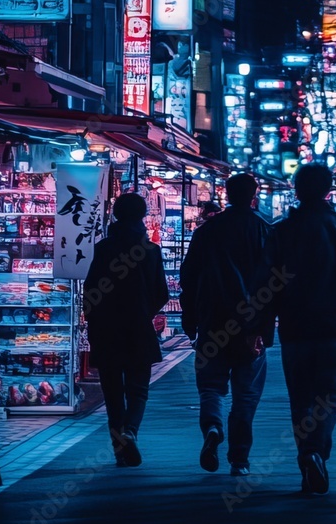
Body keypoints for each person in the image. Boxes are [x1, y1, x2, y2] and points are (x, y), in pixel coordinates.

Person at [256, 163, 336, 495]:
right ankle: (317, 452)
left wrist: (264, 325)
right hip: (334, 329)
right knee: (329, 397)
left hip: (295, 329)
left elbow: (265, 285)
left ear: (296, 189)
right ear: (328, 190)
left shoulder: (281, 232)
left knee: (301, 398)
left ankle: (308, 454)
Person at [180, 174, 271, 477]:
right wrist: (264, 329)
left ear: (228, 194)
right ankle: (240, 459)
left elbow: (188, 279)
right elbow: (274, 283)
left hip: (211, 321)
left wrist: (190, 322)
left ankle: (213, 428)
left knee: (211, 387)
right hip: (250, 327)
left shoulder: (206, 232)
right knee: (246, 395)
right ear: (253, 195)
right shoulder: (264, 230)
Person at [83, 192, 169, 467]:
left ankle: (119, 446)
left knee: (111, 390)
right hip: (137, 328)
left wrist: (93, 318)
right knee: (138, 388)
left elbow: (91, 290)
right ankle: (130, 430)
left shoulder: (103, 248)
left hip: (106, 328)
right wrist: (145, 311)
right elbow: (162, 293)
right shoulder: (151, 251)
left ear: (115, 214)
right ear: (143, 216)